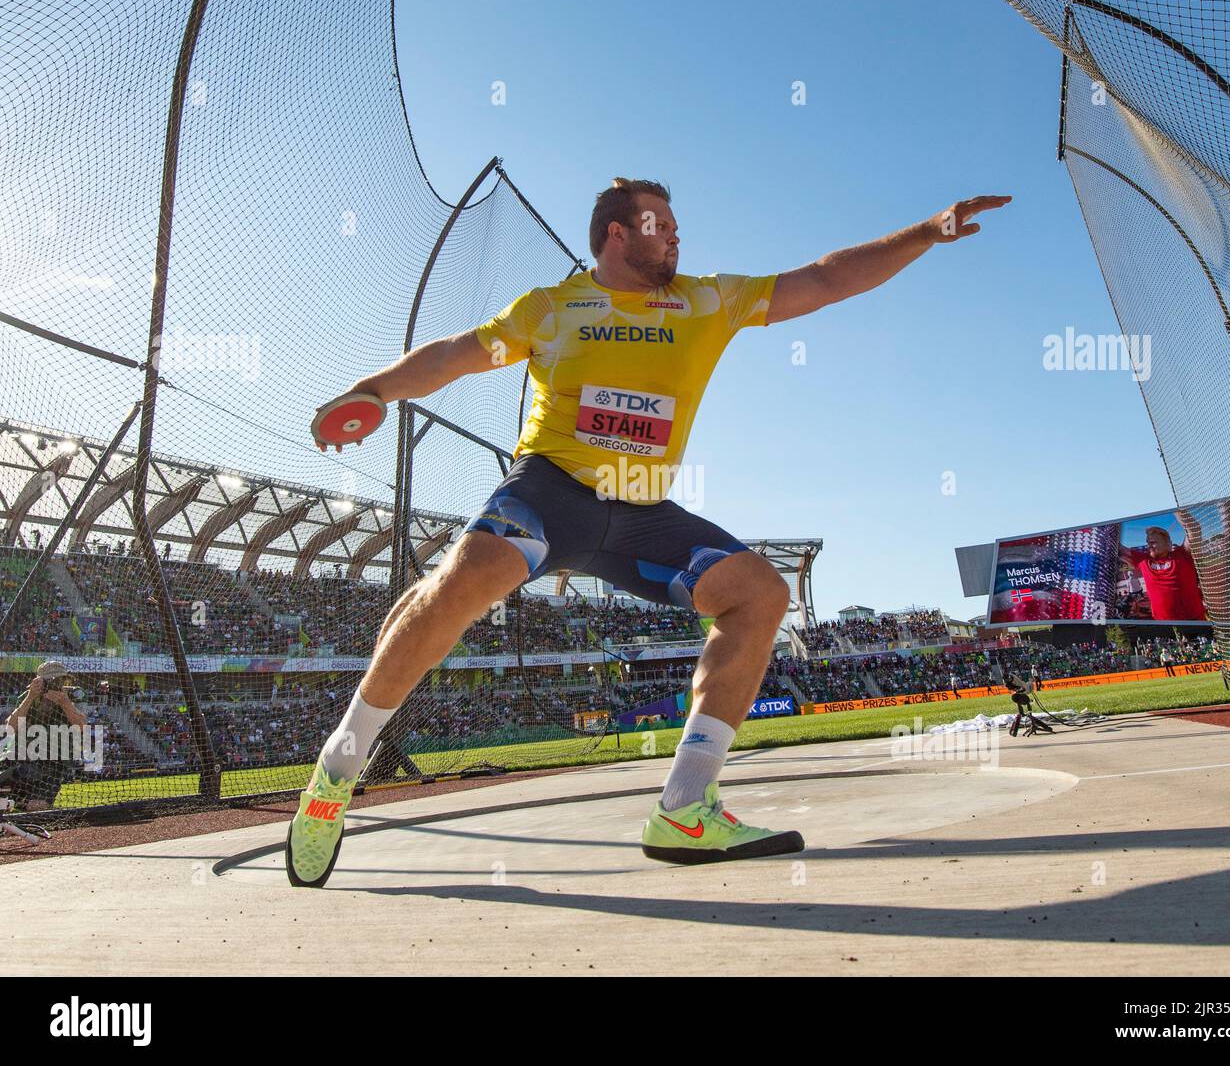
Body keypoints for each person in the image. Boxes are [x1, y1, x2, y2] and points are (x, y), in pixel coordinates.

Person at [286, 177, 1011, 885]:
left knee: (760, 594)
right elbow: (453, 355)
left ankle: (686, 809)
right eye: (662, 223)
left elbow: (823, 279)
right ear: (618, 234)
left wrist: (928, 230)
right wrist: (373, 390)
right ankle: (335, 773)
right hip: (550, 494)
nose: (677, 236)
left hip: (644, 512)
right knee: (457, 587)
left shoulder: (704, 300)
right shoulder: (552, 307)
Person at [3, 661, 87, 812]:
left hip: (53, 763)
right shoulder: (28, 696)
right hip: (21, 758)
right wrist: (30, 698)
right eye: (53, 680)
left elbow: (82, 727)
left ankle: (21, 806)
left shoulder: (71, 697)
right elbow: (10, 728)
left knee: (37, 807)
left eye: (62, 680)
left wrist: (65, 702)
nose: (57, 684)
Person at [1118, 516, 1208, 622]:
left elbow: (1194, 528)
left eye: (1153, 542)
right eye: (1148, 542)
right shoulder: (1144, 561)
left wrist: (1174, 506)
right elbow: (1120, 549)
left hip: (1194, 621)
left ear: (1168, 543)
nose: (1149, 546)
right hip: (1163, 625)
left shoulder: (1183, 554)